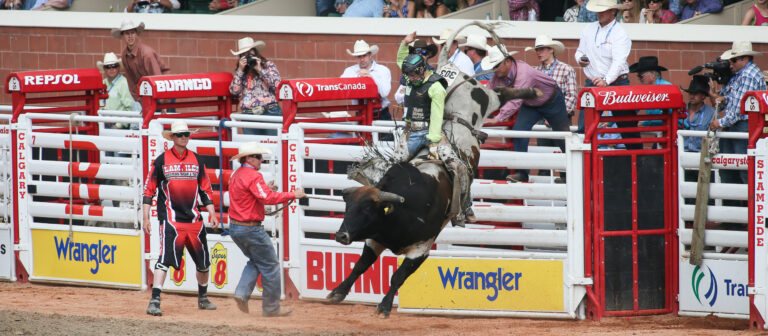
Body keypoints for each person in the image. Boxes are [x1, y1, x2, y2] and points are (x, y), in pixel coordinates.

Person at [142, 120, 220, 316]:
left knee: (204, 262)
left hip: (195, 220)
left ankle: (202, 297)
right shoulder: (161, 161)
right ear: (173, 138)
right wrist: (145, 218)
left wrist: (212, 212)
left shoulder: (197, 160)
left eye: (186, 134)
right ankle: (155, 300)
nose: (184, 137)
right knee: (164, 259)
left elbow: (205, 190)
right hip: (171, 219)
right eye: (180, 135)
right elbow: (148, 192)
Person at [398, 32, 475, 225]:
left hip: (428, 132)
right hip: (411, 131)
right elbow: (401, 61)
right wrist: (403, 43)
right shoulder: (410, 76)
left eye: (414, 74)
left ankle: (464, 206)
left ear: (422, 68)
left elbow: (437, 114)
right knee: (389, 166)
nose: (411, 78)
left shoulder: (436, 86)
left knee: (457, 166)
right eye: (408, 74)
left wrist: (433, 140)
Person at [228, 142, 306, 317]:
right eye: (257, 156)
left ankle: (242, 293)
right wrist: (293, 194)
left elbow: (255, 195)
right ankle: (271, 308)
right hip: (250, 229)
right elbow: (268, 198)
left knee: (256, 260)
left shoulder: (237, 174)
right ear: (248, 158)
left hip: (236, 227)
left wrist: (267, 189)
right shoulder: (253, 176)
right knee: (270, 265)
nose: (260, 160)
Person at [483, 45, 572, 183]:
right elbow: (487, 93)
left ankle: (570, 173)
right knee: (519, 132)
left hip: (552, 101)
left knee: (562, 137)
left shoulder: (524, 73)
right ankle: (522, 173)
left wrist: (497, 119)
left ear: (507, 62)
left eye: (496, 66)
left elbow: (516, 100)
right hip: (531, 104)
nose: (494, 70)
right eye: (493, 66)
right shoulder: (500, 75)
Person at [574, 0, 637, 149]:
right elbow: (579, 51)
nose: (599, 13)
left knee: (627, 127)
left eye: (603, 10)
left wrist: (606, 80)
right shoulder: (589, 29)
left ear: (613, 11)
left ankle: (638, 162)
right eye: (598, 10)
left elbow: (619, 62)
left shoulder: (620, 33)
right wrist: (580, 60)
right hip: (595, 82)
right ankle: (585, 167)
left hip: (615, 83)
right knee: (584, 127)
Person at [709, 40, 766, 189]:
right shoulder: (741, 74)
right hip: (738, 125)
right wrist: (720, 97)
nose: (730, 64)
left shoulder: (747, 75)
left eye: (733, 60)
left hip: (743, 126)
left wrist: (719, 123)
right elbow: (736, 101)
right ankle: (739, 206)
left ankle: (742, 207)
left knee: (740, 169)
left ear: (744, 58)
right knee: (732, 169)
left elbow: (739, 110)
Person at [229, 37, 282, 136]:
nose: (248, 57)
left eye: (249, 53)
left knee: (273, 147)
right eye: (243, 55)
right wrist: (240, 70)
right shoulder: (242, 71)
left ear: (255, 52)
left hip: (269, 111)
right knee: (253, 148)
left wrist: (260, 69)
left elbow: (278, 86)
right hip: (249, 114)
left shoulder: (268, 65)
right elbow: (234, 91)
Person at [112, 19, 170, 107]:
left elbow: (158, 79)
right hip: (148, 94)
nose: (130, 36)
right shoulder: (124, 55)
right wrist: (140, 100)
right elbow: (131, 81)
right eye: (127, 33)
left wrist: (163, 104)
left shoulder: (147, 54)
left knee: (165, 120)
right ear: (122, 36)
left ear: (136, 34)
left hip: (164, 92)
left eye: (132, 33)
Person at [525, 35, 577, 118]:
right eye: (537, 50)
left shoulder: (566, 69)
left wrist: (558, 116)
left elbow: (571, 96)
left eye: (542, 49)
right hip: (541, 117)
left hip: (560, 119)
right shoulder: (535, 72)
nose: (538, 52)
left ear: (551, 50)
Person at [341, 40, 392, 121]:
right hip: (361, 113)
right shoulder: (349, 71)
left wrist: (372, 77)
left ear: (370, 55)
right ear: (355, 58)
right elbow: (342, 88)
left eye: (364, 56)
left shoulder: (383, 70)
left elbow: (384, 93)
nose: (362, 59)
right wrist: (358, 77)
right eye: (359, 56)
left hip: (381, 114)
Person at [630, 56, 671, 127]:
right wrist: (610, 122)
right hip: (663, 130)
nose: (639, 79)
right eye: (638, 76)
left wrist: (644, 123)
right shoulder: (646, 91)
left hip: (675, 130)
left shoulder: (666, 88)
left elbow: (671, 116)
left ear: (653, 74)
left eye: (641, 76)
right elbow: (632, 108)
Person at [680, 75, 715, 153]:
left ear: (703, 96)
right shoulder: (681, 110)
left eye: (695, 94)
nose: (692, 96)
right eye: (690, 93)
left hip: (701, 155)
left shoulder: (711, 114)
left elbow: (716, 138)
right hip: (681, 153)